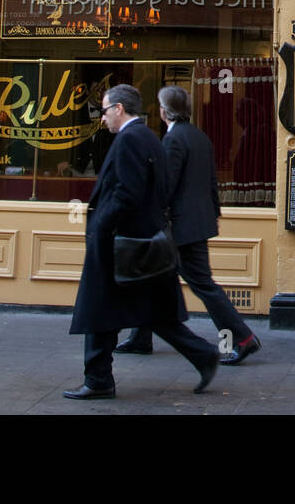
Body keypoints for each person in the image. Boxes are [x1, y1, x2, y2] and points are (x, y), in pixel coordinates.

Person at [64, 84, 219, 398]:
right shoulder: (149, 137)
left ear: (119, 109)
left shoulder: (130, 140)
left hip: (121, 243)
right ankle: (202, 355)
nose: (103, 118)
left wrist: (102, 226)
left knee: (99, 309)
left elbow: (128, 193)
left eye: (106, 111)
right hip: (140, 242)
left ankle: (98, 380)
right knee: (148, 312)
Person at [117, 85, 262, 365]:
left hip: (181, 228)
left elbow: (166, 187)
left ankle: (243, 338)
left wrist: (151, 216)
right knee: (152, 280)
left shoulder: (173, 141)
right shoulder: (199, 137)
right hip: (197, 222)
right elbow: (210, 183)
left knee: (202, 284)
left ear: (163, 111)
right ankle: (141, 336)